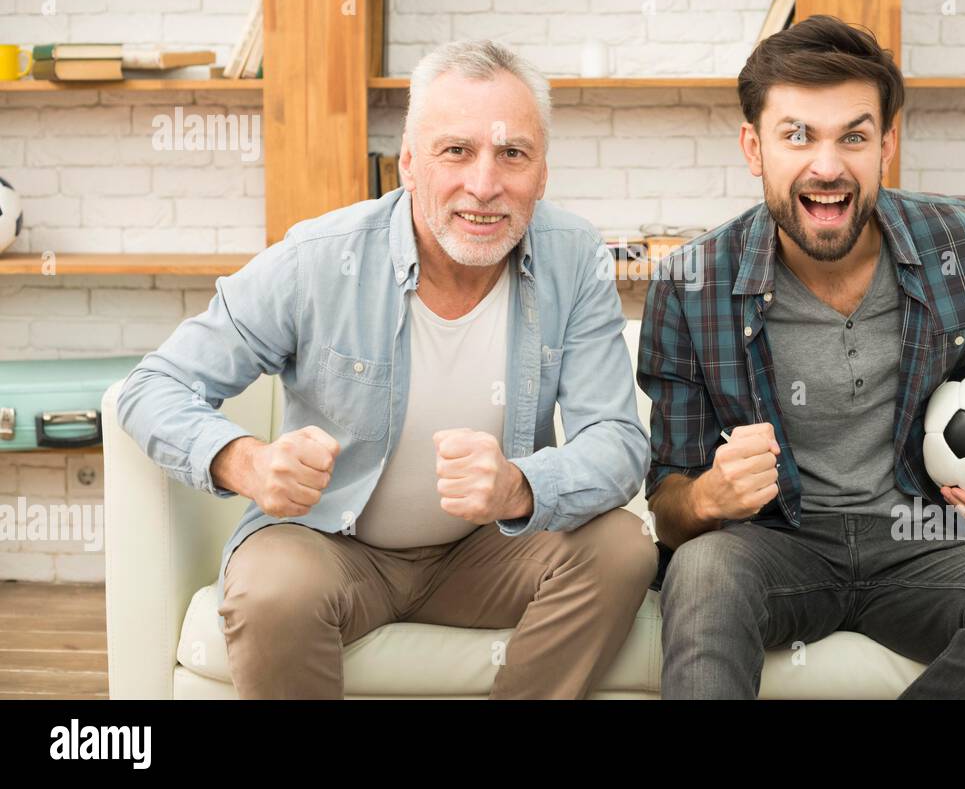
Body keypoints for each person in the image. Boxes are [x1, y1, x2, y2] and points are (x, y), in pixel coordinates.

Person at [117, 40, 657, 699]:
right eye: (455, 150)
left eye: (512, 153)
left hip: (490, 551)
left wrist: (519, 486)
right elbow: (154, 386)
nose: (484, 185)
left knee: (624, 547)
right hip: (333, 545)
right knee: (272, 592)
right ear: (407, 163)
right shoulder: (320, 258)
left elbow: (619, 442)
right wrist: (247, 461)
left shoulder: (576, 259)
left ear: (542, 173)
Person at [638, 14, 965, 699]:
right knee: (703, 571)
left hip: (933, 540)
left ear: (886, 143)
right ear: (753, 146)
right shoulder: (692, 284)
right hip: (776, 546)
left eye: (852, 136)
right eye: (796, 134)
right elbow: (668, 504)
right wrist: (708, 493)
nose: (827, 166)